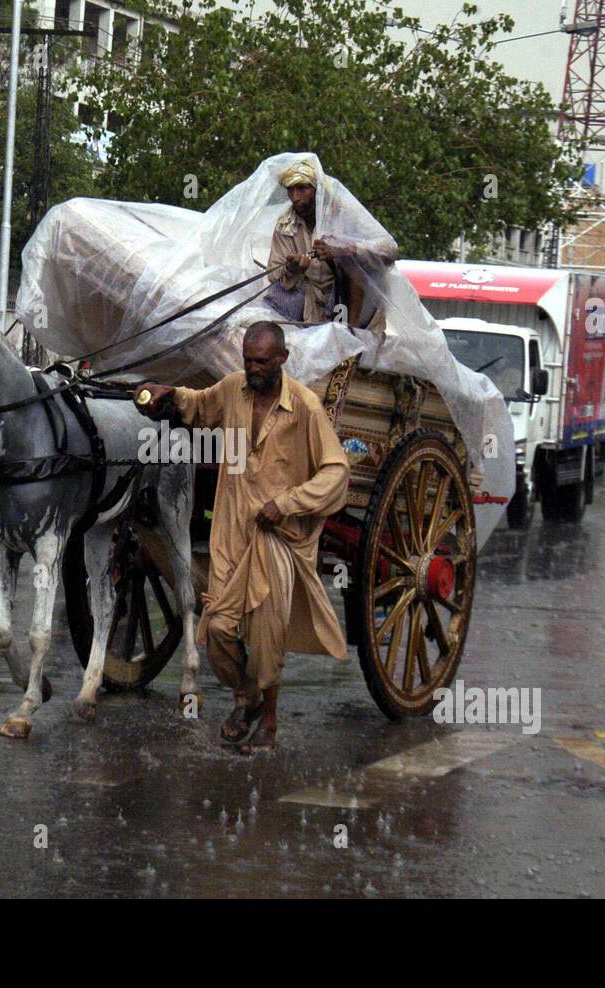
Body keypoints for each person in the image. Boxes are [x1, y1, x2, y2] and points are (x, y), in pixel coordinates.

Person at [135, 320, 350, 753]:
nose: (252, 368)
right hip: (231, 532)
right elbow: (197, 405)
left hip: (279, 540)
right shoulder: (234, 389)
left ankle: (268, 726)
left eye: (261, 361)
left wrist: (288, 502)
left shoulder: (305, 408)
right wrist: (166, 396)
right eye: (247, 359)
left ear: (282, 359)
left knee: (269, 637)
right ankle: (247, 700)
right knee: (216, 630)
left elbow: (337, 473)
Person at [265, 159, 398, 326]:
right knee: (276, 295)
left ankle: (351, 332)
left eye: (302, 189)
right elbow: (274, 274)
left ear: (318, 190)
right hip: (308, 298)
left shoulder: (346, 215)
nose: (295, 197)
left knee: (352, 263)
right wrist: (293, 269)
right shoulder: (285, 225)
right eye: (290, 190)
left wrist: (344, 249)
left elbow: (390, 248)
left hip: (345, 298)